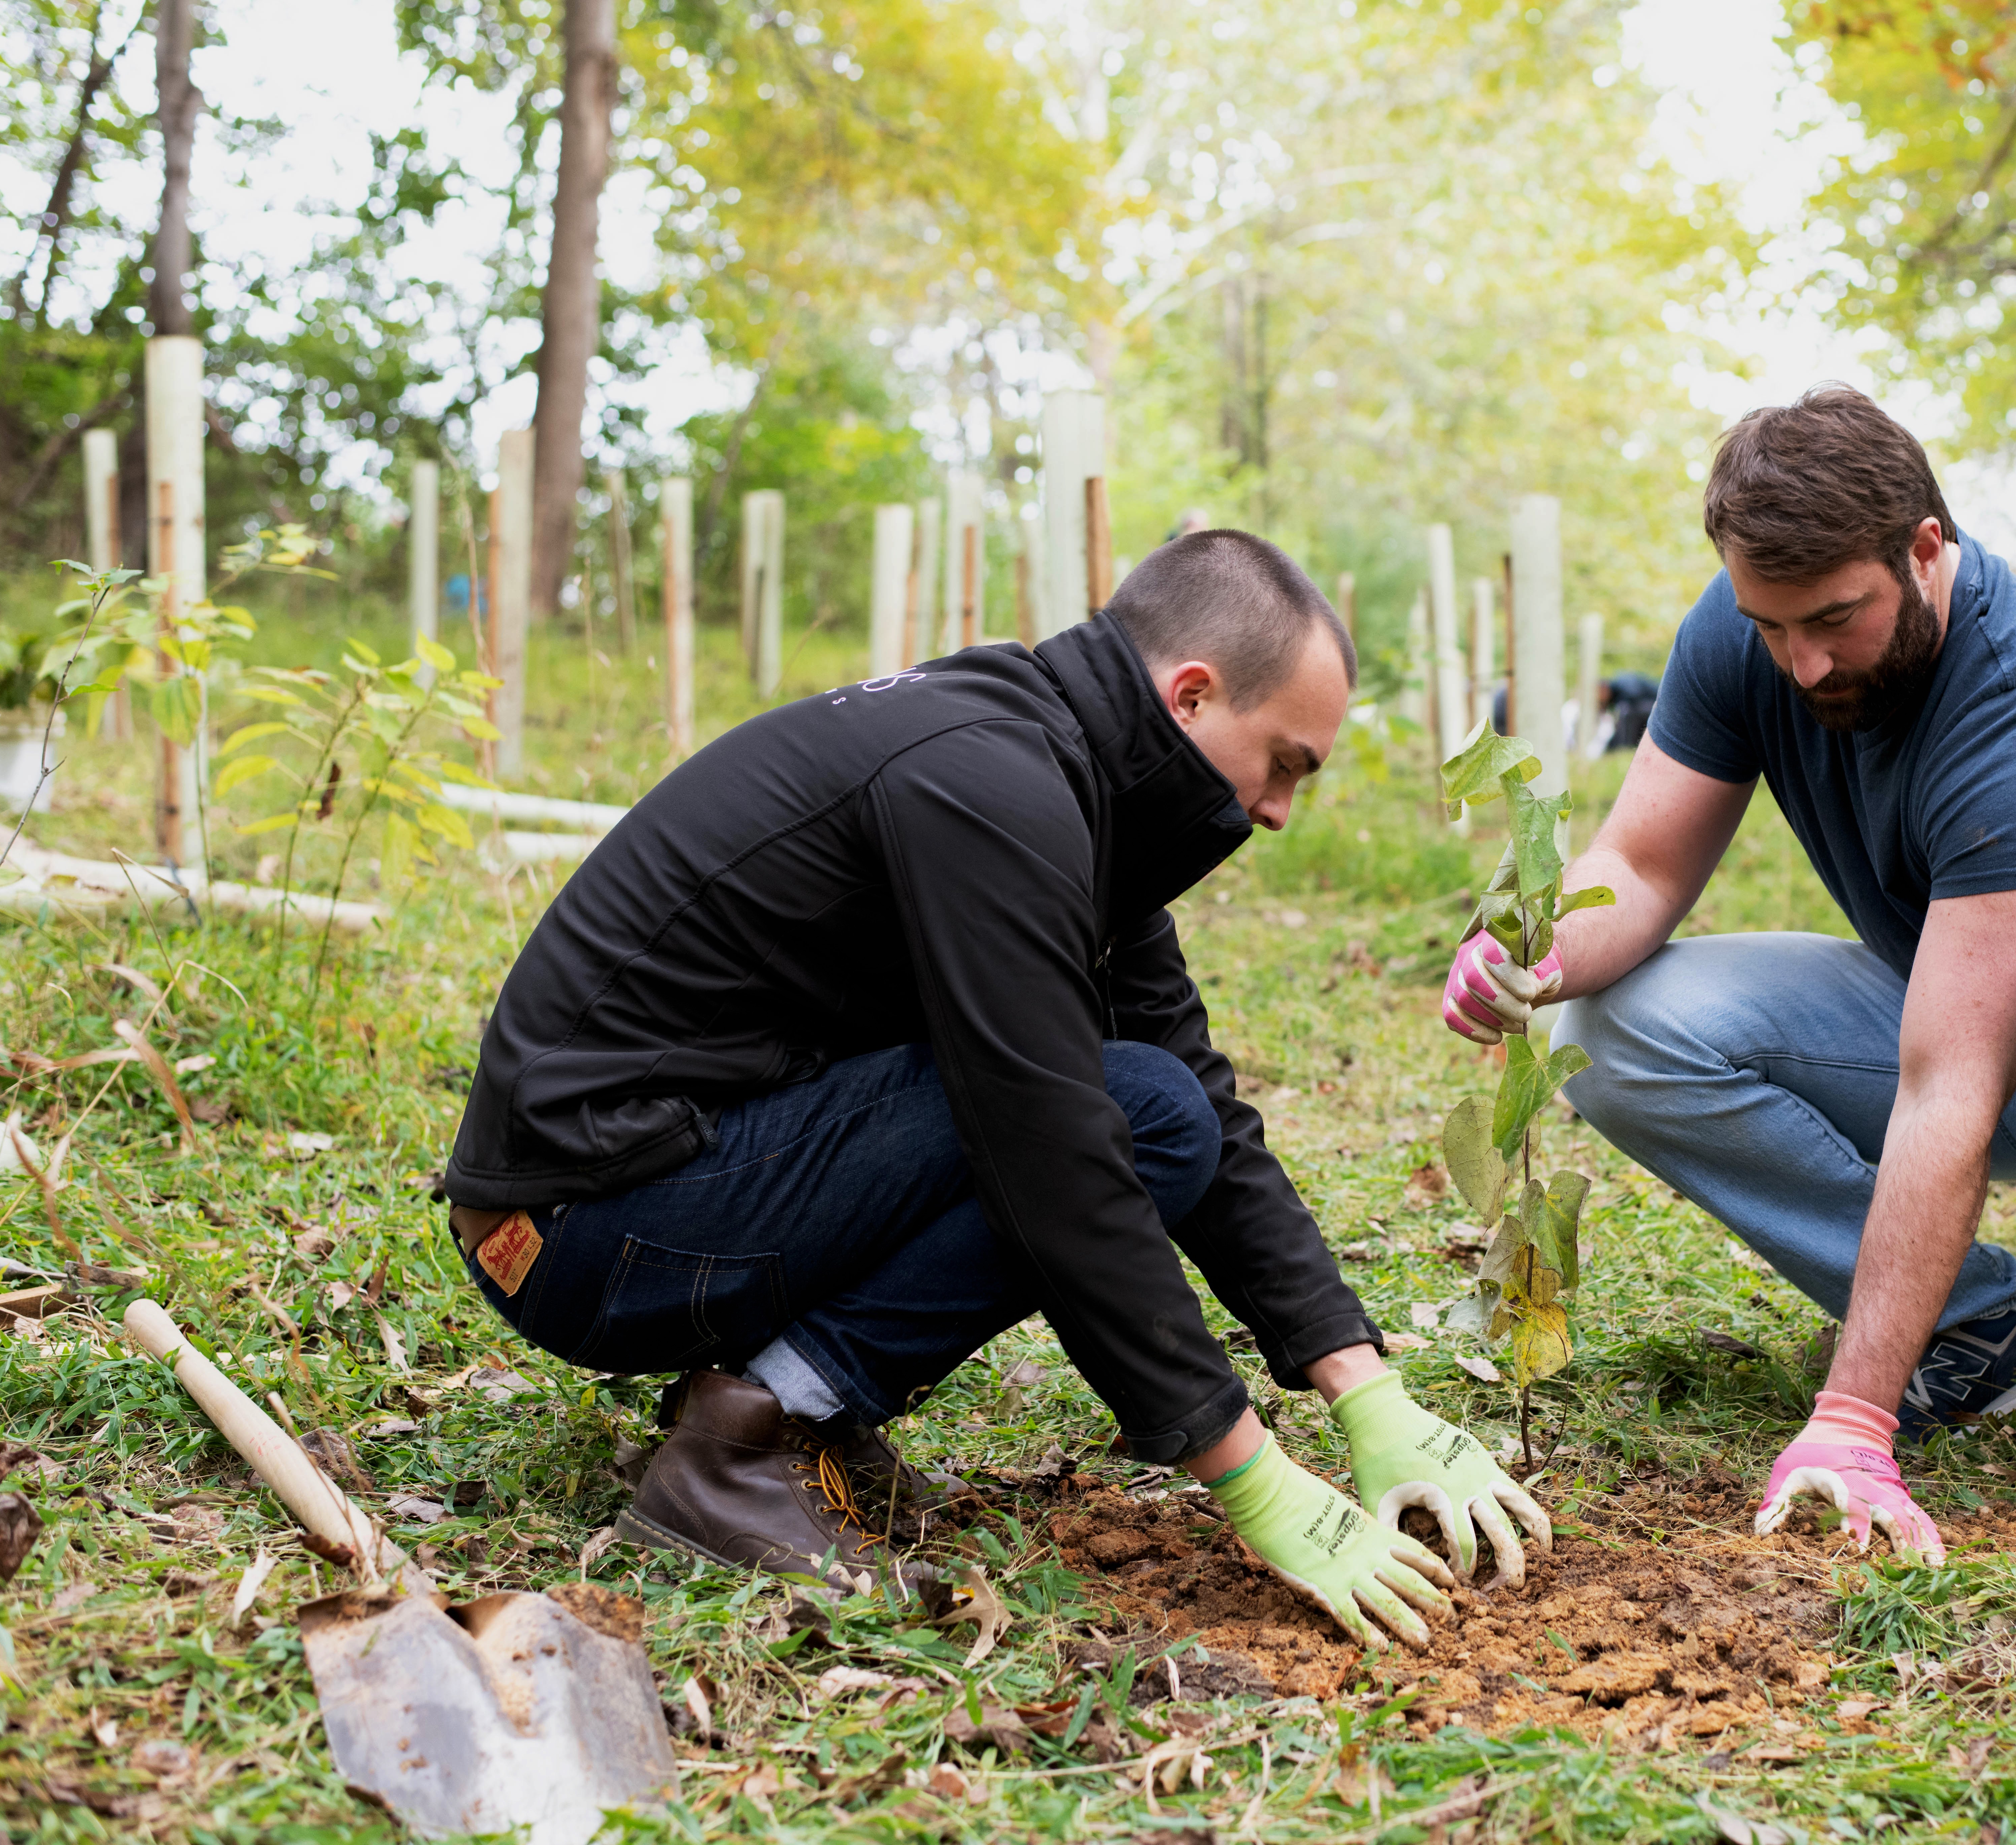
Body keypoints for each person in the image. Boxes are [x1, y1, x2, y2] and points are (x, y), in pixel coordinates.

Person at [442, 529, 1547, 1638]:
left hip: (655, 1189)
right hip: (584, 1229)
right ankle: (745, 1445)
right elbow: (1054, 1154)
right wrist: (1254, 1476)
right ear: (1193, 696)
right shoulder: (991, 788)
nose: (1277, 811)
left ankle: (782, 1409)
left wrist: (1366, 1390)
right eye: (1286, 763)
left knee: (1167, 1108)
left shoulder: (1061, 790)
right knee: (1125, 1116)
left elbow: (1202, 1098)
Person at [1438, 388, 2016, 1558]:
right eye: (1771, 626)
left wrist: (1853, 1419)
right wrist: (1539, 950)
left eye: (1836, 619)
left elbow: (1950, 1083)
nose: (1802, 664)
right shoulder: (1749, 632)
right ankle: (1983, 1330)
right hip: (1963, 1004)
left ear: (1927, 549)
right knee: (1612, 1027)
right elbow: (1640, 867)